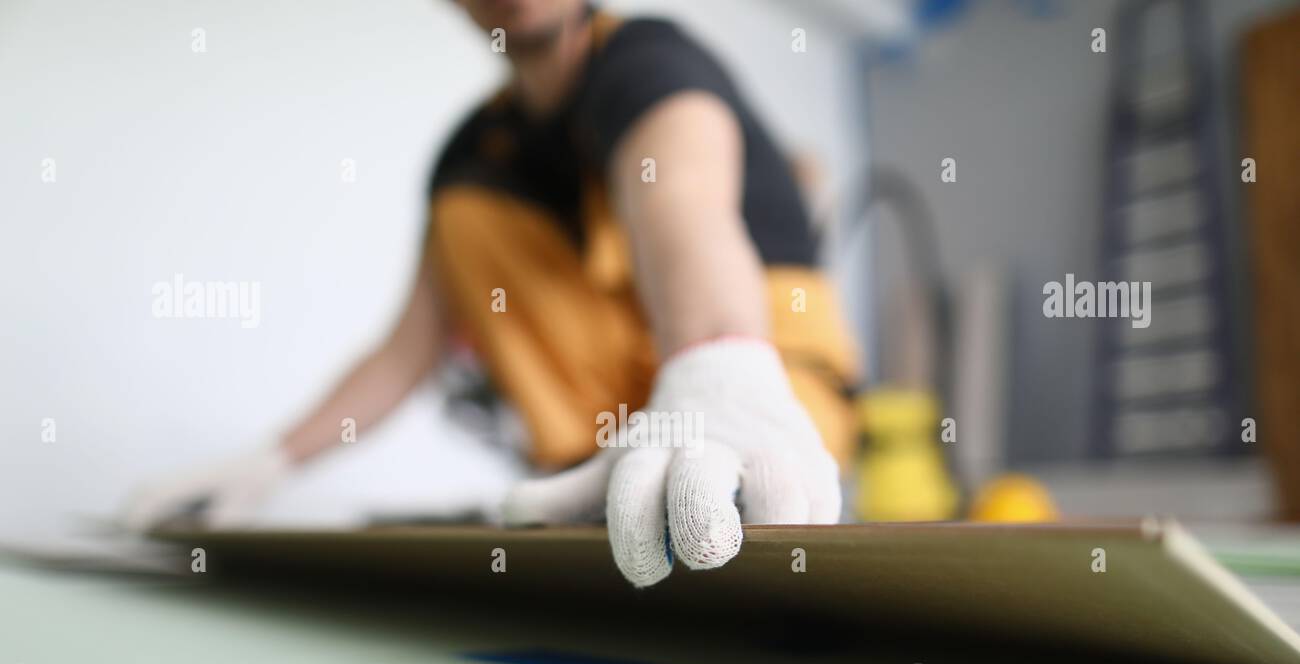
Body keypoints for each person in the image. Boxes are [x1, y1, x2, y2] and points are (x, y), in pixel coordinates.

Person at [124, 0, 861, 587]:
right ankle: (598, 482)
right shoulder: (473, 158)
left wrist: (718, 376)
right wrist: (269, 465)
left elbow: (683, 203)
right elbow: (401, 355)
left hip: (764, 418)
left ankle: (722, 437)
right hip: (590, 472)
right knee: (464, 213)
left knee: (727, 468)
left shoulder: (650, 64)